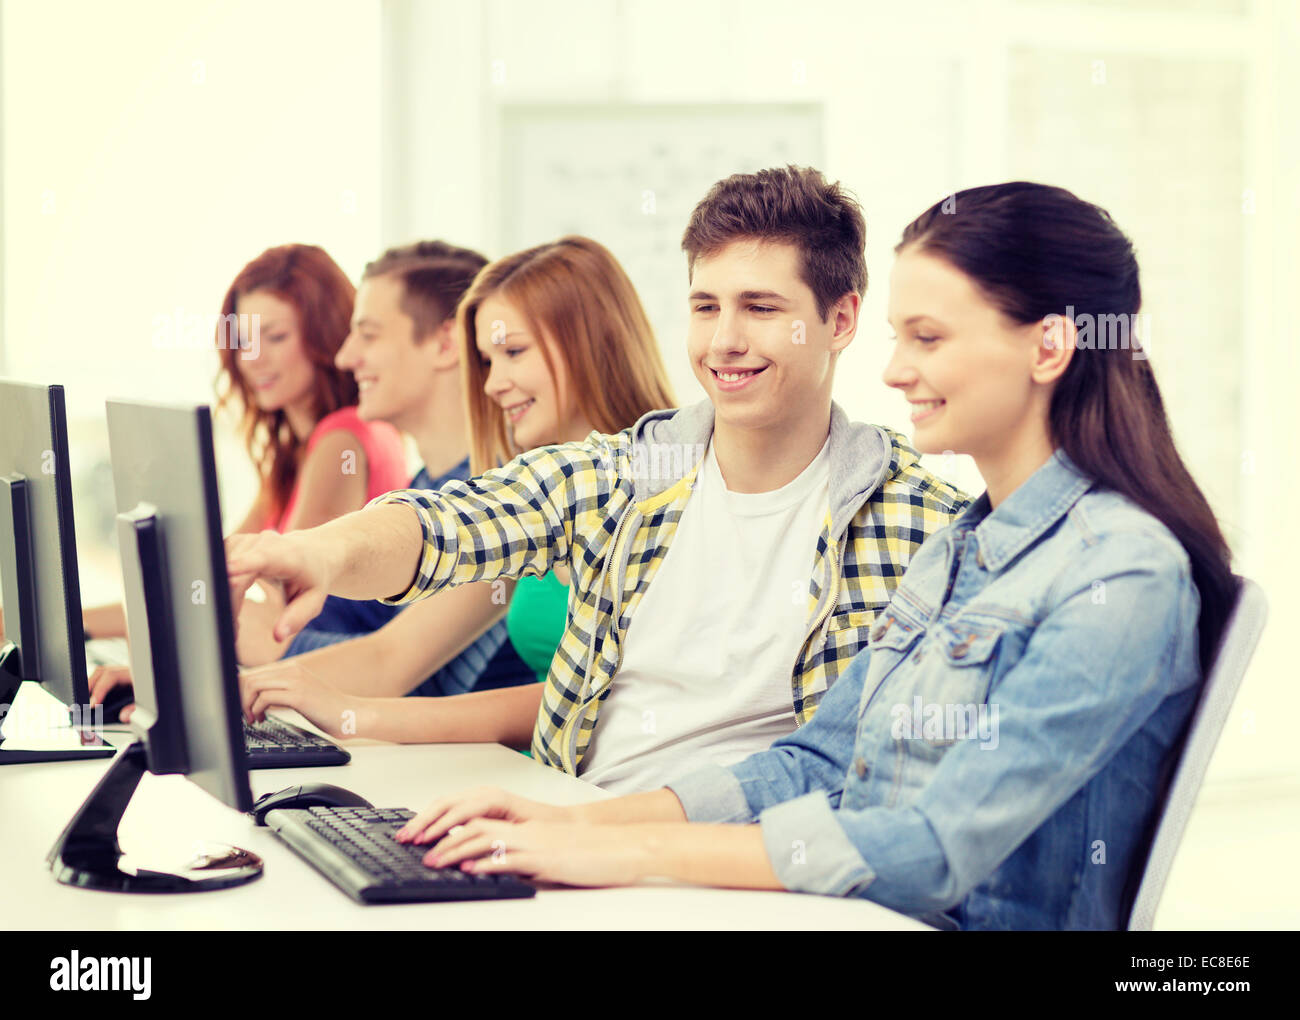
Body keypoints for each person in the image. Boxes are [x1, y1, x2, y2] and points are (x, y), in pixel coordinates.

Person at [388, 182, 1238, 932]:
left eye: (929, 338)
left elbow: (934, 846)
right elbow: (818, 761)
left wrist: (628, 851)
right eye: (899, 336)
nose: (897, 370)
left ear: (1048, 347)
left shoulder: (1120, 575)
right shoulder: (964, 547)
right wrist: (576, 826)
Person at [225, 166, 969, 791]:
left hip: (749, 877)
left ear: (840, 322)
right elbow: (451, 522)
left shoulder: (923, 523)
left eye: (761, 308)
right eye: (706, 307)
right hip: (569, 843)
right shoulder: (626, 477)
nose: (725, 341)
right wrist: (321, 553)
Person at [238, 236, 677, 739]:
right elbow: (402, 625)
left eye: (513, 352)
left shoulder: (668, 493)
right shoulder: (535, 496)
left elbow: (605, 696)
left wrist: (350, 710)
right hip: (533, 776)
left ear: (588, 344)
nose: (490, 384)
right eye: (488, 361)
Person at [85, 244, 408, 711]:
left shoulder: (343, 441)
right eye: (245, 340)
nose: (252, 358)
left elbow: (254, 613)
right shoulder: (302, 451)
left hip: (335, 688)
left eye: (275, 336)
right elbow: (206, 578)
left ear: (325, 337)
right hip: (305, 684)